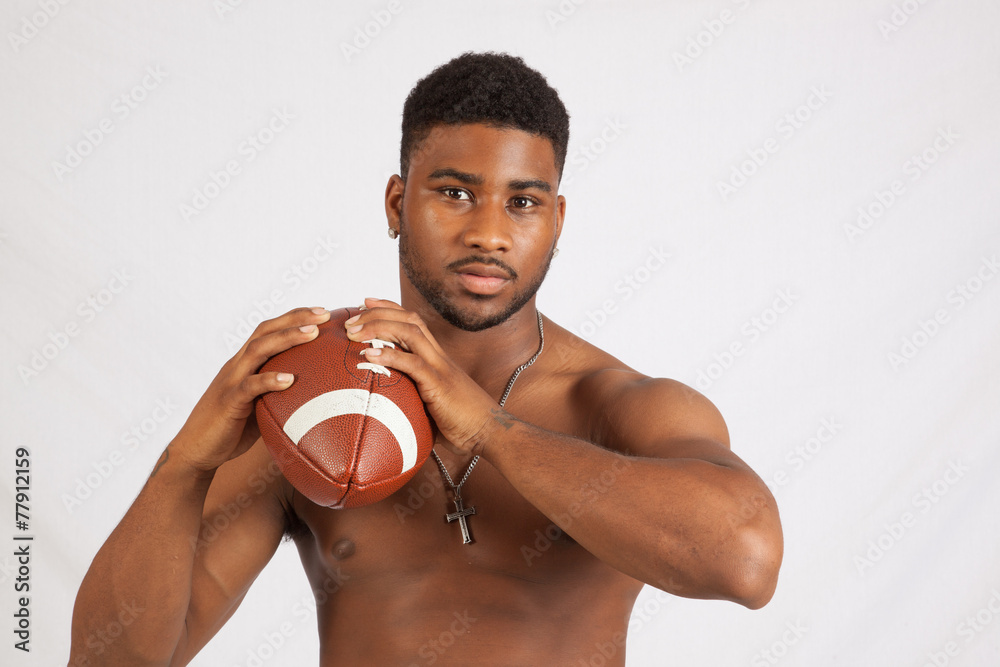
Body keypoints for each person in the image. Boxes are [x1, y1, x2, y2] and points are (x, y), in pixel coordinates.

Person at [69, 51, 783, 666]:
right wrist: (184, 464)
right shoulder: (309, 408)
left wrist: (488, 428)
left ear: (557, 221)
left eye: (523, 203)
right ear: (396, 202)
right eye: (454, 193)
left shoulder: (617, 406)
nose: (490, 232)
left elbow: (746, 563)